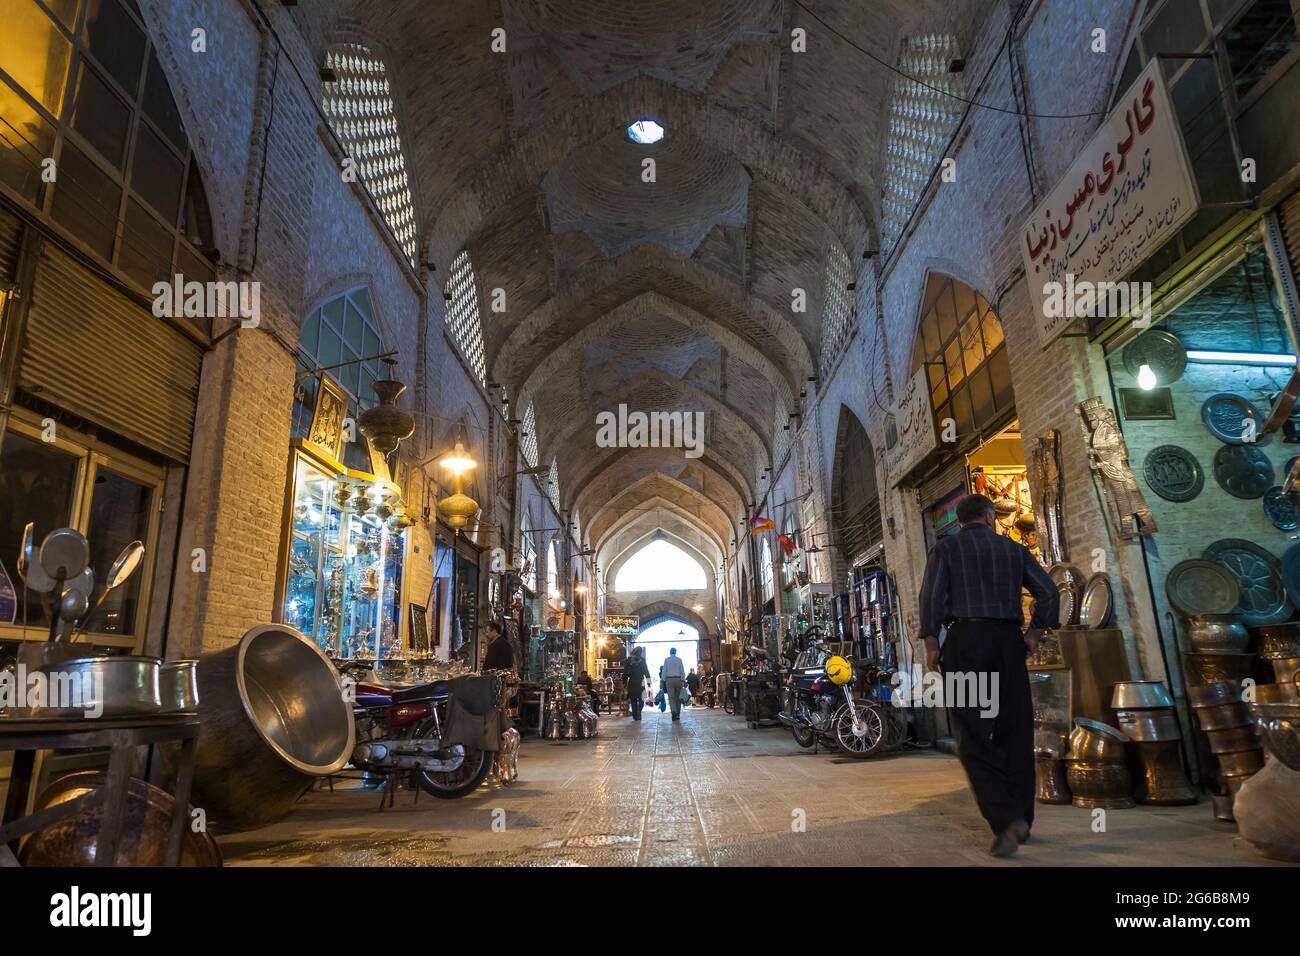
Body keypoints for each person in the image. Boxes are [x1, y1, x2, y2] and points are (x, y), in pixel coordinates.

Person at [918, 493, 1059, 858]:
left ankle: (1005, 820)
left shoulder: (946, 550)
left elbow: (931, 598)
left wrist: (932, 643)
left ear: (960, 520)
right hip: (1008, 643)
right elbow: (1049, 592)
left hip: (967, 643)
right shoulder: (1013, 550)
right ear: (990, 517)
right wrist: (1034, 634)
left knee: (976, 737)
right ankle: (1023, 819)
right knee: (1016, 731)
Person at [624, 648, 652, 721]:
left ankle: (635, 716)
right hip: (640, 682)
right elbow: (646, 672)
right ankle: (639, 710)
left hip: (632, 682)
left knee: (633, 700)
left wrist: (624, 683)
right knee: (641, 698)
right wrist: (649, 683)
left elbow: (625, 673)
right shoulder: (642, 660)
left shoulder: (629, 660)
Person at [661, 647, 687, 721]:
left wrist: (663, 681)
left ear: (670, 652)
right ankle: (678, 715)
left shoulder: (666, 660)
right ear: (675, 652)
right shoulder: (679, 660)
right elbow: (682, 671)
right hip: (678, 680)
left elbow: (664, 671)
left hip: (669, 680)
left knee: (671, 698)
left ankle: (673, 712)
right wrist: (683, 680)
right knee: (678, 698)